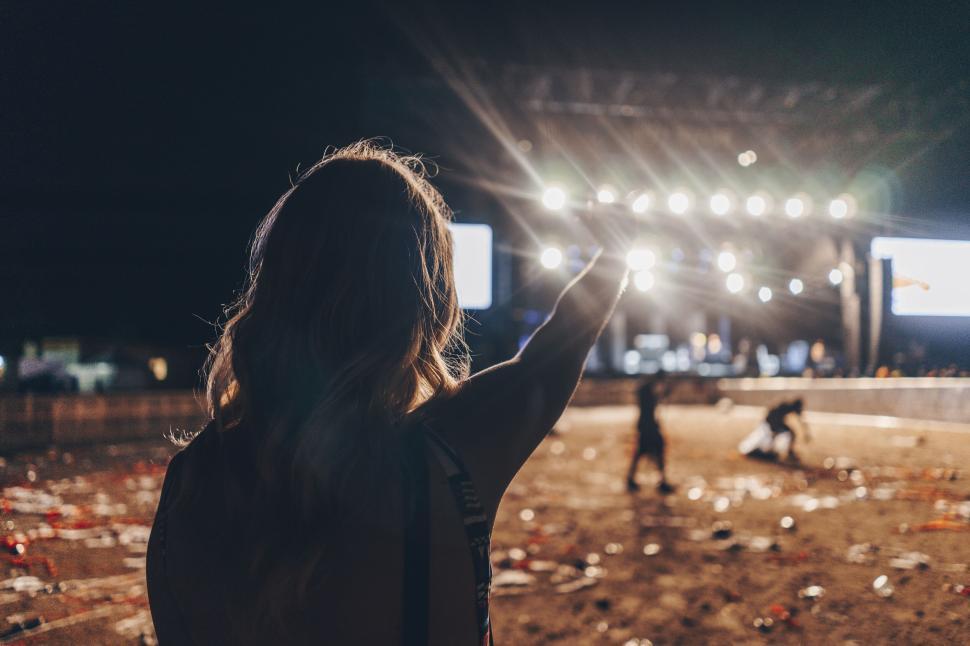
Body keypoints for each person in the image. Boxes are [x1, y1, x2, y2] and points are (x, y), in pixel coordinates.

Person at [145, 141, 630, 645]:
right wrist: (616, 246)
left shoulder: (193, 477)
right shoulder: (448, 453)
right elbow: (558, 347)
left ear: (274, 278)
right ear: (427, 297)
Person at [626, 371, 673, 493]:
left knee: (641, 453)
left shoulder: (646, 389)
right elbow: (653, 403)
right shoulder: (647, 390)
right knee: (657, 451)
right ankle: (661, 481)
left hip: (646, 425)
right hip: (649, 426)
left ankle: (631, 479)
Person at [738, 398, 808, 462]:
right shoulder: (784, 406)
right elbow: (773, 415)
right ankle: (752, 451)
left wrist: (806, 433)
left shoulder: (790, 408)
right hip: (769, 423)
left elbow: (801, 420)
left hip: (775, 423)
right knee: (765, 439)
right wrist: (774, 429)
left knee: (789, 434)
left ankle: (787, 452)